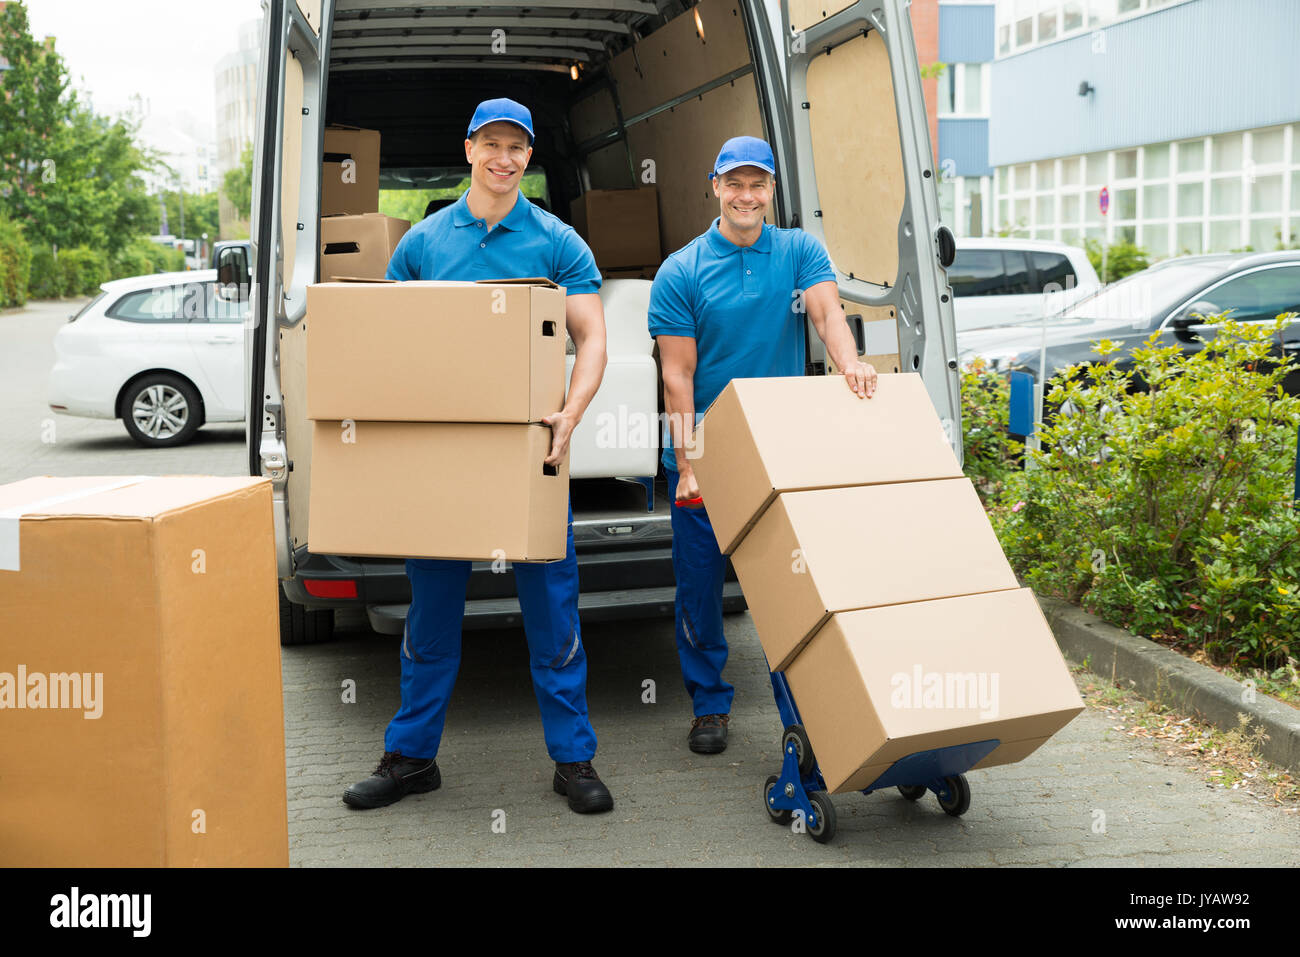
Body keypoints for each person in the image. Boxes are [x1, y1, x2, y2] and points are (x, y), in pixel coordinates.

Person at [343, 98, 614, 814]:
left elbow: (593, 338)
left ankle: (574, 759)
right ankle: (409, 758)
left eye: (517, 147)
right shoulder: (424, 245)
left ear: (529, 156)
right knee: (430, 616)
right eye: (492, 143)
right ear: (468, 149)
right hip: (446, 460)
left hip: (530, 452)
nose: (504, 157)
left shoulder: (559, 242)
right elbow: (388, 345)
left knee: (553, 616)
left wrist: (573, 411)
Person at [648, 135, 878, 755]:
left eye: (758, 185)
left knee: (788, 589)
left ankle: (799, 717)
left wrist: (850, 363)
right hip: (708, 454)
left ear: (771, 191)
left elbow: (829, 315)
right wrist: (690, 464)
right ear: (715, 186)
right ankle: (709, 707)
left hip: (781, 448)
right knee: (699, 589)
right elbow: (678, 376)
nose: (746, 196)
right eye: (735, 183)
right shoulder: (682, 270)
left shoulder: (798, 250)